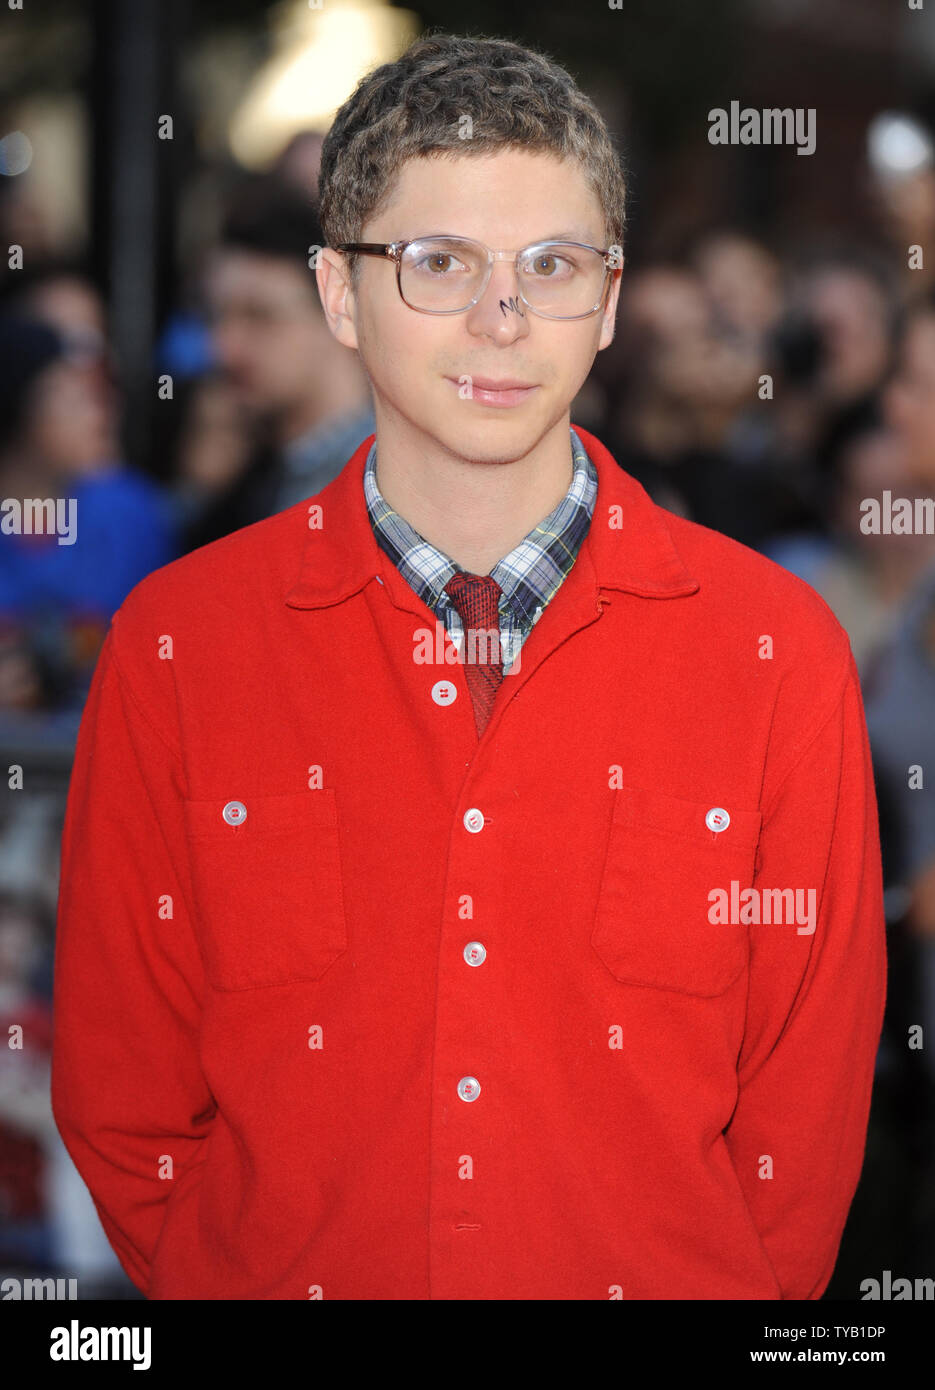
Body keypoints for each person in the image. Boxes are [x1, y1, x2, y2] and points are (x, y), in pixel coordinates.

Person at [51, 32, 886, 1300]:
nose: (501, 317)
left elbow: (803, 1110)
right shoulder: (178, 645)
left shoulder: (772, 649)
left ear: (606, 300)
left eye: (549, 265)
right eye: (437, 263)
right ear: (339, 292)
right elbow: (126, 1093)